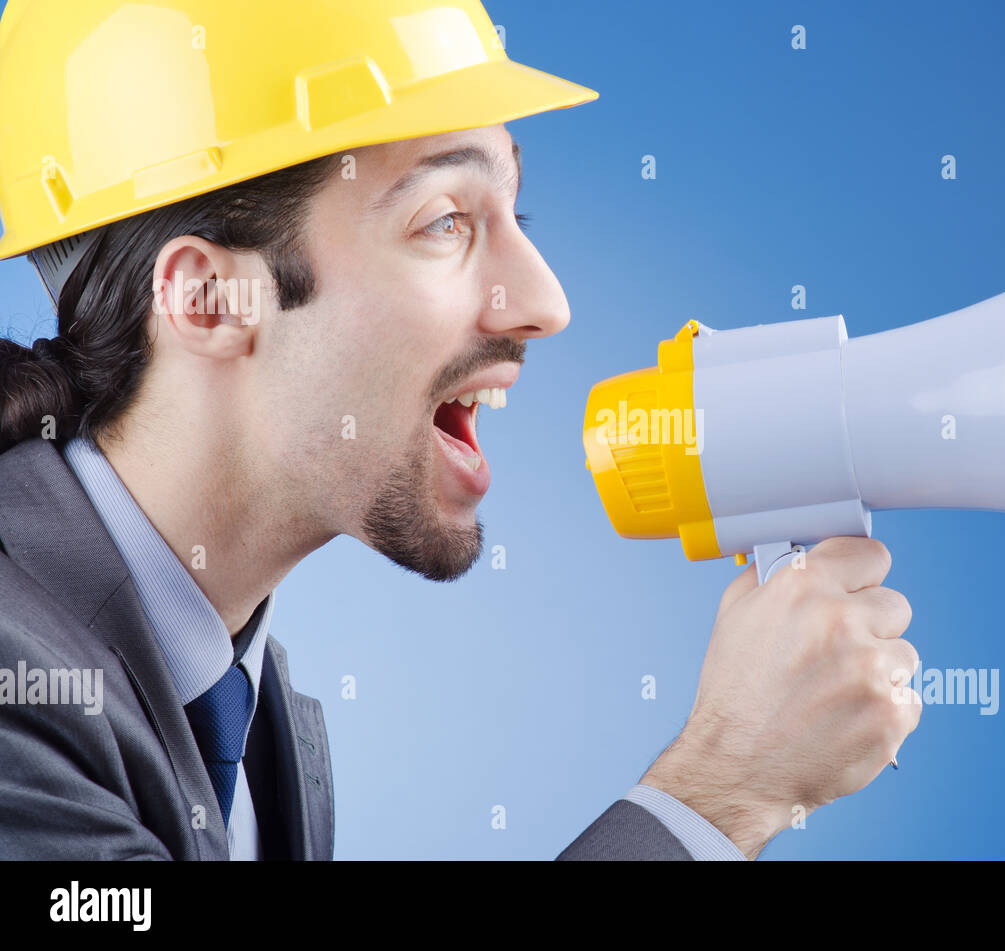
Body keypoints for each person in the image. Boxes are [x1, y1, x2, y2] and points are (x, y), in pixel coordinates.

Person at [0, 0, 921, 861]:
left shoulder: (241, 697)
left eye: (515, 213)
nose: (544, 303)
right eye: (445, 220)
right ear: (209, 299)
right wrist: (717, 793)